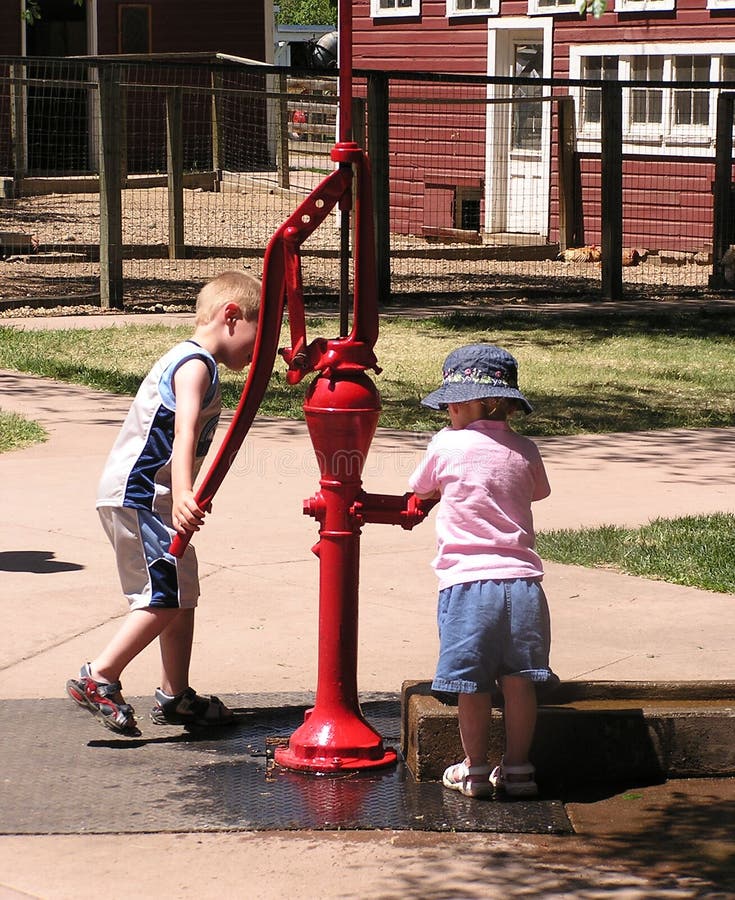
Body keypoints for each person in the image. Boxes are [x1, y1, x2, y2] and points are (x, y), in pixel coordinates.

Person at [66, 270, 261, 736]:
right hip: (143, 497)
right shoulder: (194, 364)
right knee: (162, 596)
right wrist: (184, 494)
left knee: (181, 593)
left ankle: (176, 695)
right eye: (258, 334)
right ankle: (100, 677)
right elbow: (184, 431)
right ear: (230, 316)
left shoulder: (195, 361)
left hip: (154, 497)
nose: (261, 350)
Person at [408, 343, 557, 799]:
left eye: (457, 399)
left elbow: (418, 488)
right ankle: (517, 769)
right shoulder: (525, 448)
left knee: (471, 685)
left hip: (467, 585)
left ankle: (474, 769)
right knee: (519, 682)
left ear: (488, 401)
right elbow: (540, 491)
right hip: (524, 586)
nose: (449, 407)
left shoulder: (445, 444)